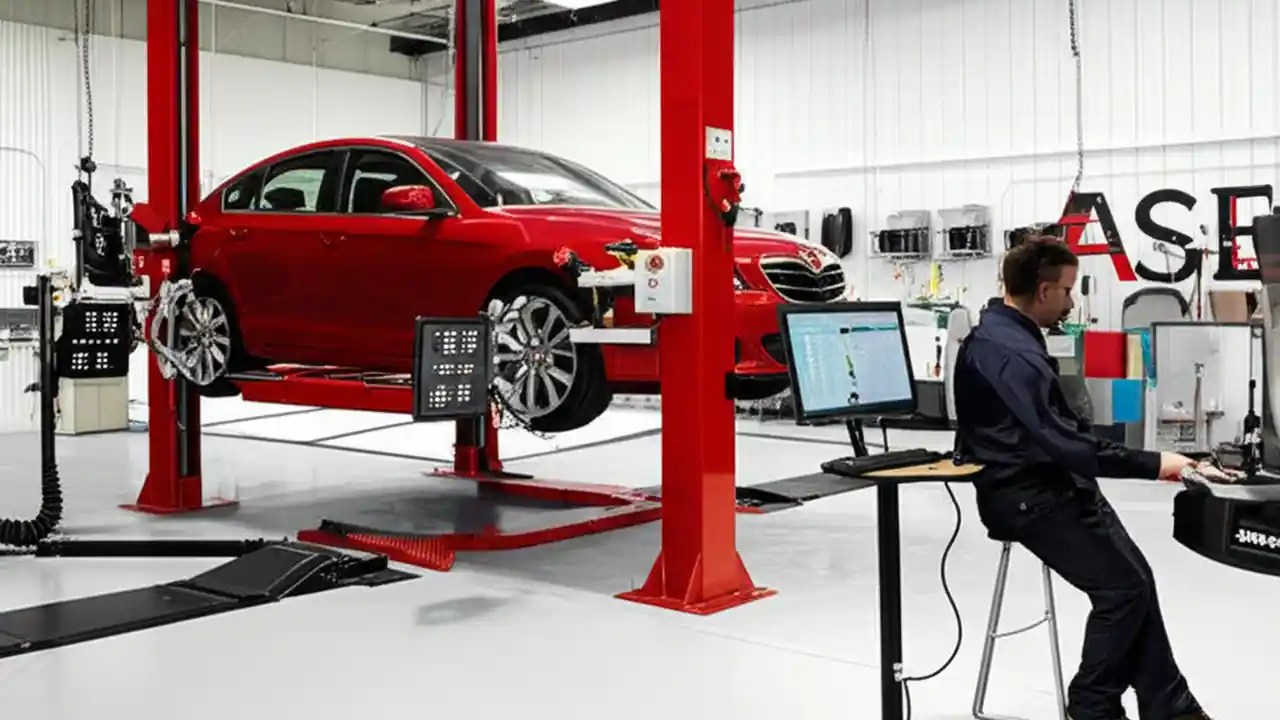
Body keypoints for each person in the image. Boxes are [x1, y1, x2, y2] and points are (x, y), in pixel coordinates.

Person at [953, 236, 1217, 720]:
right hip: (1026, 497)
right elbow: (1070, 445)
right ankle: (1093, 704)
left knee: (1137, 580)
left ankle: (1170, 705)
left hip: (1055, 485)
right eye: (1067, 290)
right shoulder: (1010, 355)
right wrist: (1158, 464)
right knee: (1123, 590)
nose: (1071, 302)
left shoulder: (1008, 334)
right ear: (1043, 290)